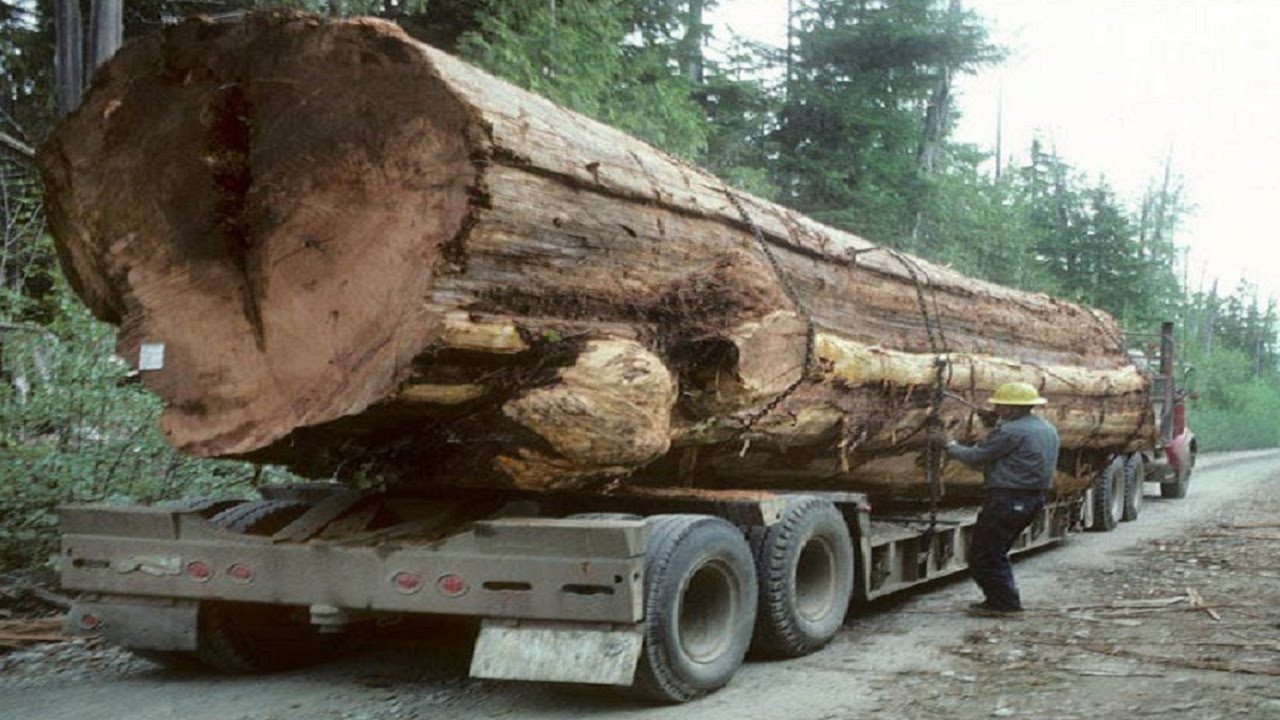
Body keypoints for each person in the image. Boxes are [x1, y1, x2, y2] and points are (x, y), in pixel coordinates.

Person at [929, 382, 1060, 618]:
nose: (997, 407)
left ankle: (1006, 605)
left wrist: (948, 443)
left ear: (1012, 408)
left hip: (1008, 499)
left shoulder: (1011, 431)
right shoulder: (1046, 428)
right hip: (1031, 499)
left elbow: (976, 457)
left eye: (1000, 405)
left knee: (986, 556)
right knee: (994, 552)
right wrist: (995, 423)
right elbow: (1018, 447)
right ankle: (999, 600)